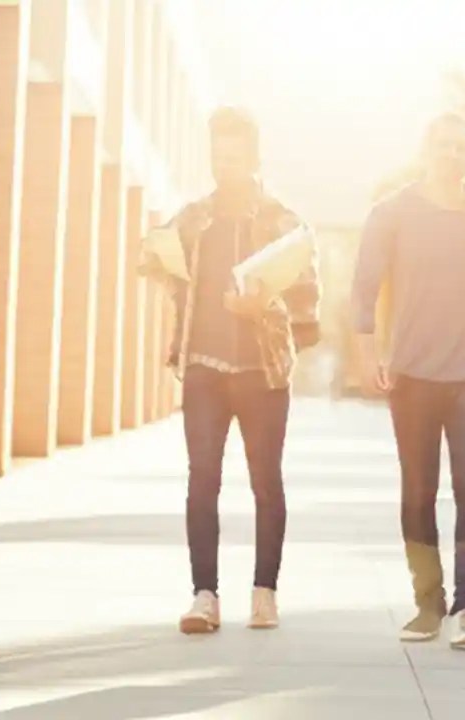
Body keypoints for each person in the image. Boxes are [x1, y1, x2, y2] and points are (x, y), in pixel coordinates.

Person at [139, 107, 321, 635]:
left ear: (255, 158)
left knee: (266, 481)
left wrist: (263, 305)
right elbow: (157, 261)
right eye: (218, 156)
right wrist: (158, 259)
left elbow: (308, 297)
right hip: (203, 366)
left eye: (235, 157)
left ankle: (265, 594)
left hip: (261, 371)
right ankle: (204, 596)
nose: (225, 167)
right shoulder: (194, 217)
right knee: (202, 481)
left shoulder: (283, 222)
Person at [350, 111, 465, 648]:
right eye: (445, 146)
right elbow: (363, 288)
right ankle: (428, 603)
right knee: (418, 490)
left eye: (463, 148)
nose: (454, 155)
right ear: (426, 150)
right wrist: (366, 353)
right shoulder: (391, 214)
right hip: (411, 375)